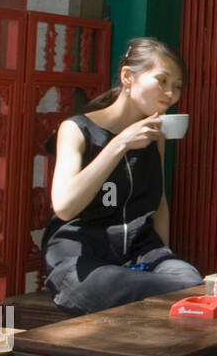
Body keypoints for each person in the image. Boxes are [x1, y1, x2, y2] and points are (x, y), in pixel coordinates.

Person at [42, 37, 201, 313]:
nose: (170, 95)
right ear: (128, 77)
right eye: (161, 81)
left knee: (190, 283)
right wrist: (120, 143)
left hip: (139, 254)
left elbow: (159, 204)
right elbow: (65, 207)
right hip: (82, 259)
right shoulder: (77, 130)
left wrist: (165, 257)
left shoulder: (155, 137)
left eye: (176, 87)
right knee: (159, 291)